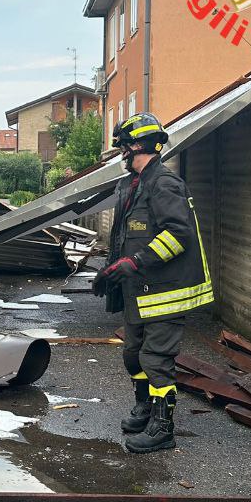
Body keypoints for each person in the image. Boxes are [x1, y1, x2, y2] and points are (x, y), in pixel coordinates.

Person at [92, 112, 213, 454]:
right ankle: (145, 407)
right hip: (139, 290)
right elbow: (123, 237)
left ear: (138, 146)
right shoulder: (131, 185)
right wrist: (110, 271)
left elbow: (179, 235)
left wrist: (134, 262)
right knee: (133, 356)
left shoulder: (164, 184)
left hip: (166, 291)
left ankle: (163, 428)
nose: (121, 154)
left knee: (156, 360)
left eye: (124, 147)